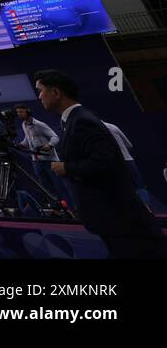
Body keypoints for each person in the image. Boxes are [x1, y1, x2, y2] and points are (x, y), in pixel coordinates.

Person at [33, 69, 167, 258]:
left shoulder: (82, 121)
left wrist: (66, 168)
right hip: (111, 219)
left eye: (41, 90)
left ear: (56, 92)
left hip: (120, 219)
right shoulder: (71, 120)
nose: (39, 96)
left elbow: (105, 163)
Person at [15, 104, 66, 207]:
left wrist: (49, 145)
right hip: (36, 161)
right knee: (45, 187)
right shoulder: (24, 125)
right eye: (18, 112)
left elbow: (55, 137)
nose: (19, 114)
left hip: (49, 160)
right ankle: (55, 207)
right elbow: (28, 139)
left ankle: (68, 206)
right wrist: (22, 144)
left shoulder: (39, 124)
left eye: (21, 111)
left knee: (58, 184)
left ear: (27, 111)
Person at [103, 121, 152, 213]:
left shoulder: (93, 130)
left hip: (113, 163)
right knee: (139, 187)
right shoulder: (112, 126)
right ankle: (147, 209)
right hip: (128, 160)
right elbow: (129, 145)